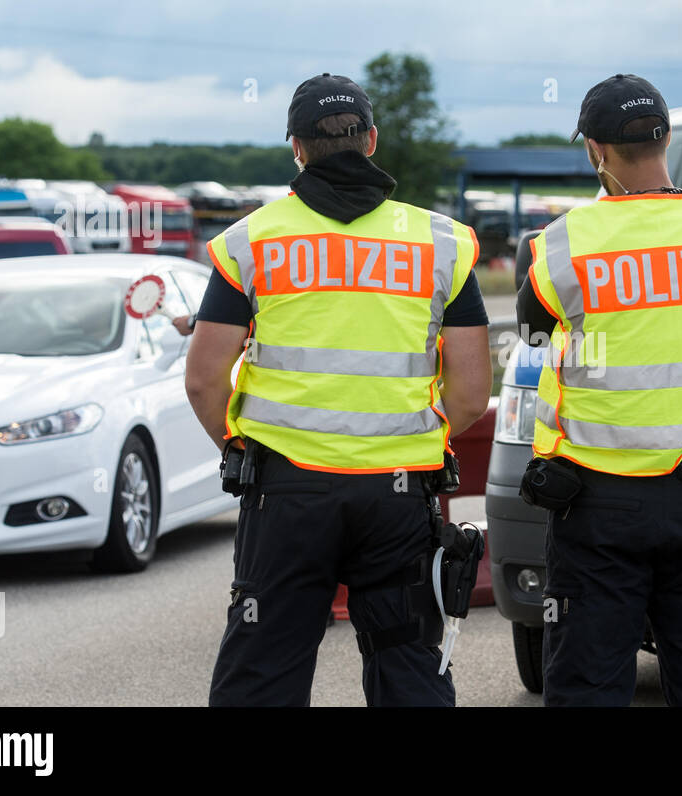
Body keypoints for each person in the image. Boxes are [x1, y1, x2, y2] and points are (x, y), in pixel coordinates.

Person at [184, 73, 492, 707]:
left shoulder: (250, 242)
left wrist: (244, 449)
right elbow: (469, 392)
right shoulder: (443, 244)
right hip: (398, 493)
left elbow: (203, 377)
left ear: (295, 147)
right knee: (407, 661)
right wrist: (408, 439)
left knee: (263, 668)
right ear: (371, 140)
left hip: (285, 491)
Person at [516, 74, 682, 706]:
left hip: (596, 502)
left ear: (595, 152)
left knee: (588, 683)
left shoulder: (559, 247)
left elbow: (533, 331)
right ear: (668, 137)